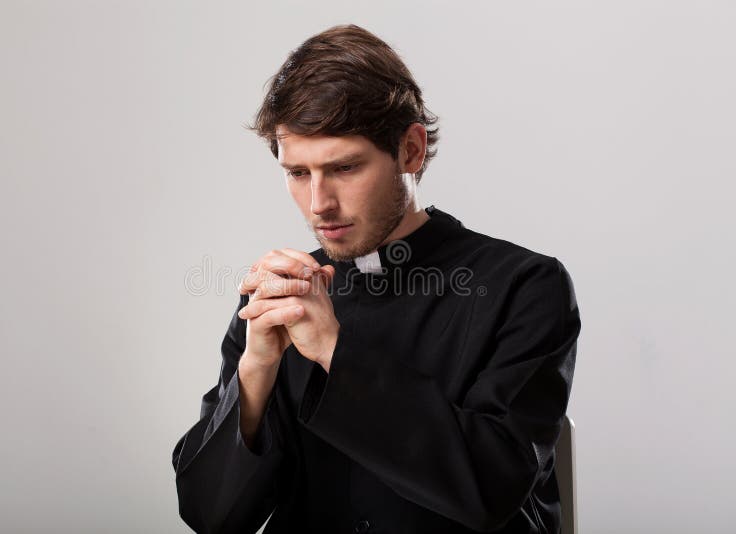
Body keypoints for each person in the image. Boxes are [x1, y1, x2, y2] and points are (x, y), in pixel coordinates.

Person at [171, 24, 581, 534]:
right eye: (298, 173)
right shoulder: (279, 293)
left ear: (410, 150)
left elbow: (491, 491)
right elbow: (212, 517)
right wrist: (253, 376)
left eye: (344, 168)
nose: (318, 204)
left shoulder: (525, 286)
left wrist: (334, 351)